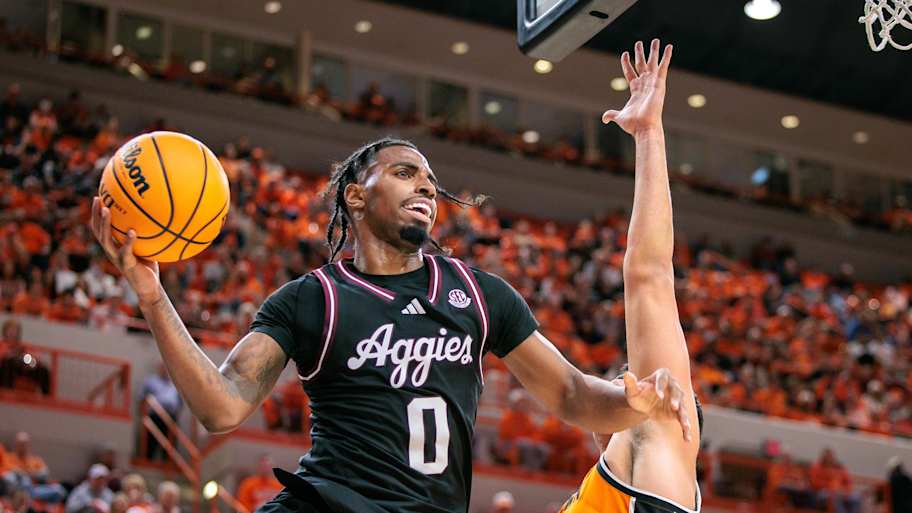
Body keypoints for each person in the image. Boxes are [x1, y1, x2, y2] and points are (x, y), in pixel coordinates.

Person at [90, 130, 691, 512]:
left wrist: (633, 405)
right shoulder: (311, 299)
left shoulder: (480, 295)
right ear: (355, 195)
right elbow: (221, 407)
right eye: (406, 173)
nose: (427, 187)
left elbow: (572, 394)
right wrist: (152, 297)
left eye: (431, 181)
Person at [559, 39, 701, 513]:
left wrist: (648, 135)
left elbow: (650, 276)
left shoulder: (657, 428)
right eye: (626, 379)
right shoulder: (614, 482)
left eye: (628, 379)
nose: (626, 382)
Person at [139, 364, 182, 461]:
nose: (166, 370)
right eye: (163, 368)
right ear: (159, 368)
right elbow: (142, 398)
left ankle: (168, 462)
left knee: (170, 442)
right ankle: (148, 460)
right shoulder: (151, 381)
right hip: (155, 416)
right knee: (151, 441)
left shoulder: (174, 383)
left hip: (170, 417)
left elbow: (179, 402)